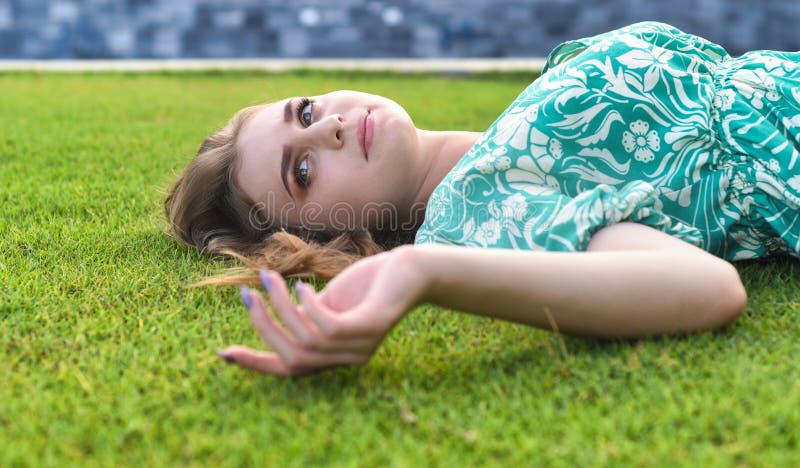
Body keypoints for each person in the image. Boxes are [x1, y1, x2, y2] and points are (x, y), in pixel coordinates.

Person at [165, 21, 800, 377]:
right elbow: (706, 287)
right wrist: (424, 270)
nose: (327, 127)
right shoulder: (477, 207)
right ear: (328, 233)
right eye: (302, 171)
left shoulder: (507, 141)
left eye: (304, 111)